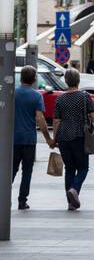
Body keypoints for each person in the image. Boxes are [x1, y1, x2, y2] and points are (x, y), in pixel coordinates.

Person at [52, 68, 94, 211]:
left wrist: (54, 138)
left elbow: (56, 121)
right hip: (79, 136)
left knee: (69, 168)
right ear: (78, 80)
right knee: (83, 168)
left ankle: (70, 202)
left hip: (63, 137)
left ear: (65, 81)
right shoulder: (84, 97)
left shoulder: (60, 98)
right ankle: (74, 190)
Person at [13, 66, 55, 210]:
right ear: (34, 79)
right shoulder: (37, 96)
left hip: (12, 139)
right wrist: (48, 139)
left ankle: (3, 197)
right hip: (29, 140)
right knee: (27, 171)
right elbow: (40, 119)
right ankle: (22, 201)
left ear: (22, 77)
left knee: (11, 170)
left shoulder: (12, 93)